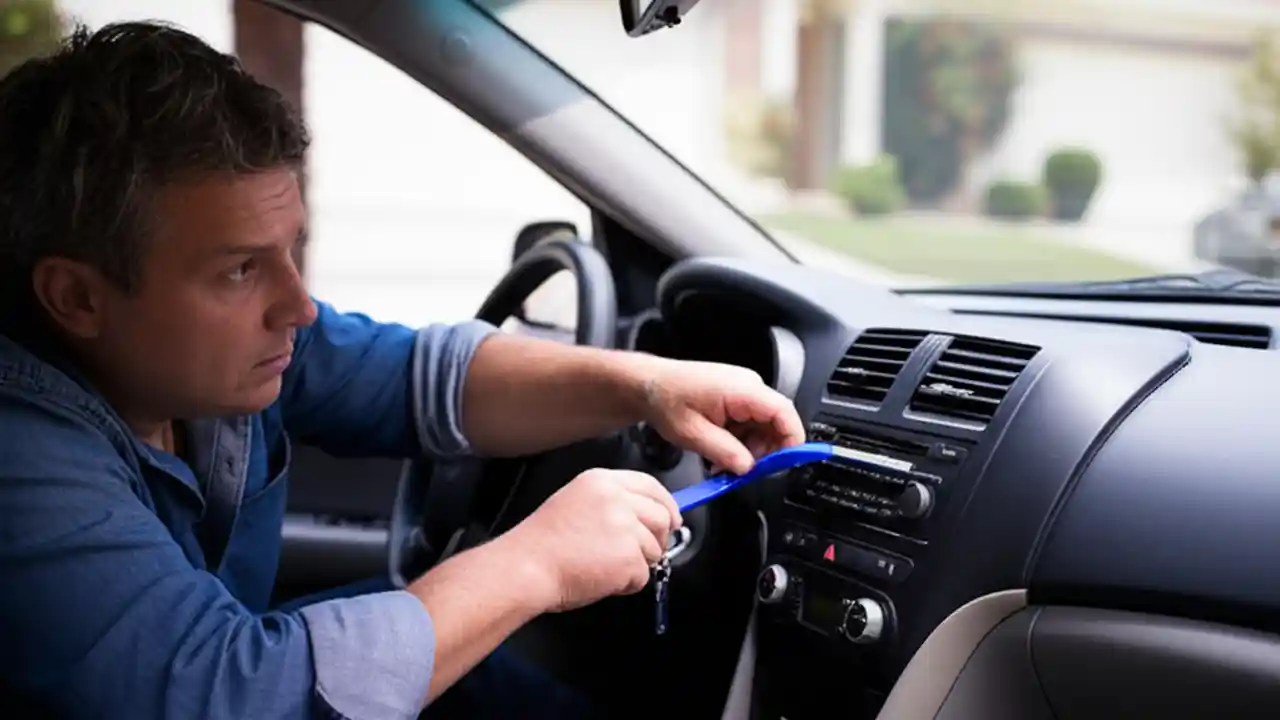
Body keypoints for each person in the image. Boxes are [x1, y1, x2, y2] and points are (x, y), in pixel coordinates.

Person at [0, 21, 805, 720]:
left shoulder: (202, 358)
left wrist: (644, 386)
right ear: (77, 297)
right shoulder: (21, 457)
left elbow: (419, 379)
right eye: (240, 270)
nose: (298, 306)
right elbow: (231, 695)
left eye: (290, 252)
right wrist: (535, 563)